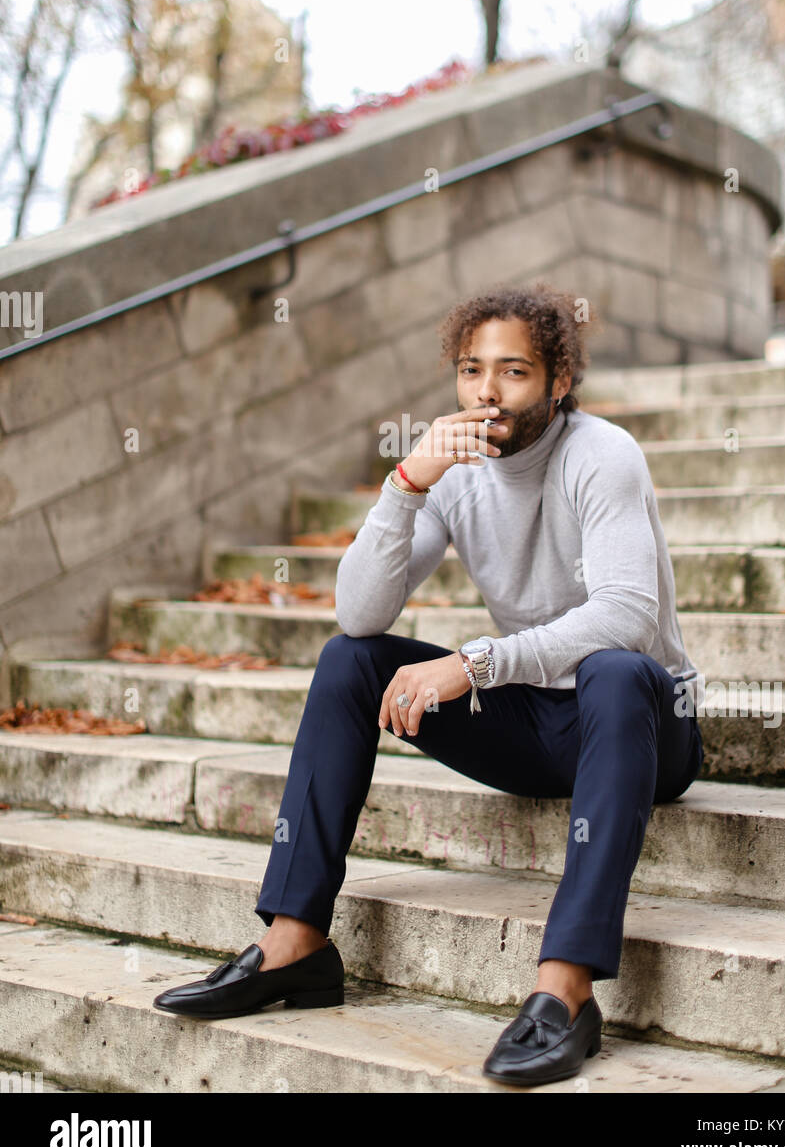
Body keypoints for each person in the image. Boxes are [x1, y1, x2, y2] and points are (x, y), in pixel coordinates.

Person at [153, 279, 704, 1088]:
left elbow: (624, 614)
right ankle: (295, 940)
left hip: (646, 729)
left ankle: (566, 989)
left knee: (614, 671)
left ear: (558, 381)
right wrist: (405, 486)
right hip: (536, 730)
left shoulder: (603, 454)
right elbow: (357, 613)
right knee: (349, 661)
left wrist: (475, 662)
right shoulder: (456, 468)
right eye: (470, 369)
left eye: (514, 371)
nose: (487, 391)